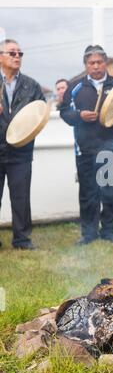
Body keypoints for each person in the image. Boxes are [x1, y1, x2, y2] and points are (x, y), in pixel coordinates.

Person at [60, 45, 113, 244]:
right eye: (91, 63)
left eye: (99, 62)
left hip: (111, 147)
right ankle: (88, 233)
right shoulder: (75, 87)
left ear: (106, 63)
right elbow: (64, 113)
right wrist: (79, 115)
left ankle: (110, 231)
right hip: (85, 148)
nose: (95, 66)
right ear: (86, 65)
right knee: (88, 192)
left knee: (111, 190)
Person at [0, 39, 45, 250]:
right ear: (0, 56)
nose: (17, 56)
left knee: (21, 198)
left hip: (21, 152)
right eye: (12, 53)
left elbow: (40, 113)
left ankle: (22, 240)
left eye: (20, 53)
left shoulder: (31, 85)